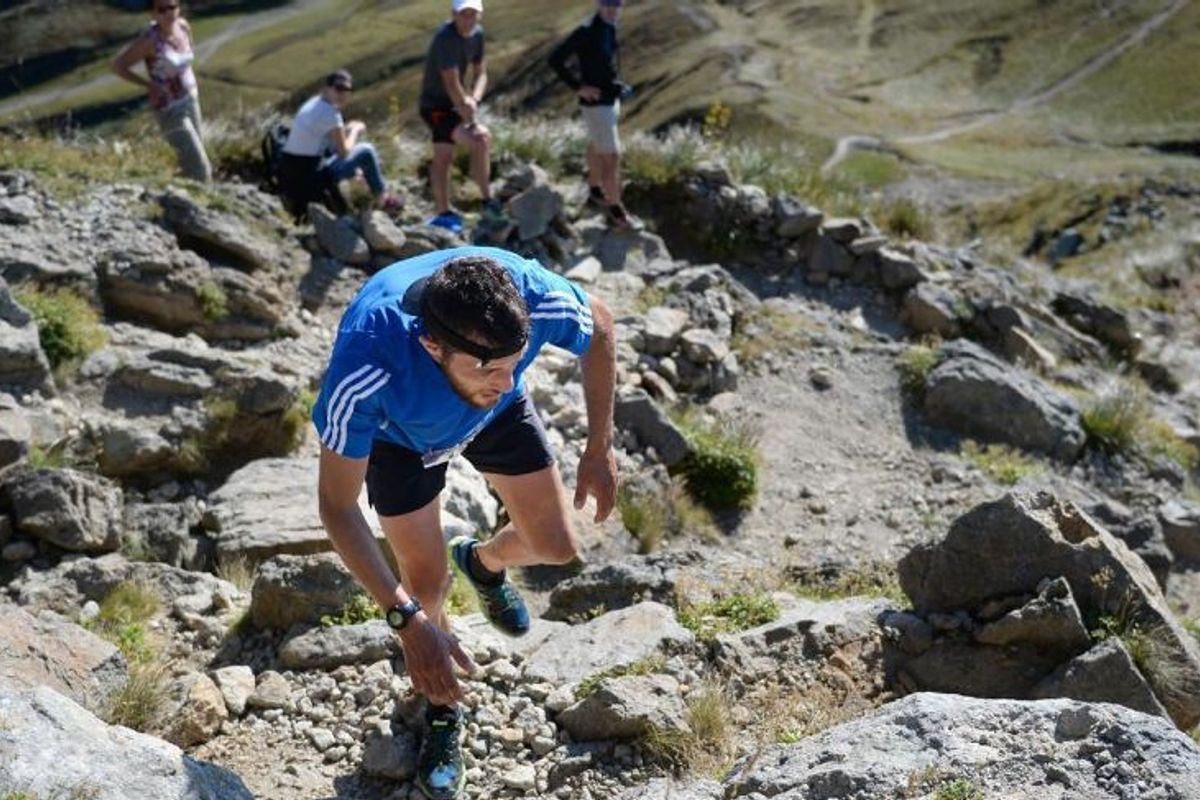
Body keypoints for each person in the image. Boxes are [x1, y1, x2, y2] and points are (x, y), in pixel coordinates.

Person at [312, 246, 617, 800]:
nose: (507, 378)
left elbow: (598, 325)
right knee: (426, 590)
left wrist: (599, 446)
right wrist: (408, 623)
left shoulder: (526, 300)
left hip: (493, 417)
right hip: (400, 440)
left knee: (554, 546)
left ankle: (482, 562)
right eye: (488, 366)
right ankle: (442, 708)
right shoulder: (368, 363)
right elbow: (337, 506)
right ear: (434, 345)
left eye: (514, 362)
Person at [548, 0, 644, 231]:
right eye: (608, 4)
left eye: (617, 4)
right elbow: (555, 59)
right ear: (599, 4)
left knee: (596, 143)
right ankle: (616, 210)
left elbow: (603, 63)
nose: (613, 9)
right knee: (612, 156)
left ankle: (594, 190)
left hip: (609, 100)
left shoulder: (609, 26)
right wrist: (578, 87)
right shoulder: (588, 30)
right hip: (596, 105)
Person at [418, 0, 506, 234]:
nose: (468, 20)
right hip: (435, 106)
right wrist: (465, 107)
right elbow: (451, 80)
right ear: (454, 14)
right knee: (472, 142)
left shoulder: (478, 35)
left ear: (479, 15)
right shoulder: (445, 38)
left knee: (452, 152)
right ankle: (476, 205)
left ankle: (461, 207)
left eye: (472, 14)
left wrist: (474, 99)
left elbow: (481, 72)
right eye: (463, 14)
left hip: (457, 105)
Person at [112, 0, 212, 182]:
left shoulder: (183, 26)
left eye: (172, 7)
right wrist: (148, 85)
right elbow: (119, 66)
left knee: (194, 156)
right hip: (169, 108)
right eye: (161, 9)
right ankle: (200, 196)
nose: (168, 13)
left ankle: (185, 191)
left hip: (190, 99)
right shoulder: (150, 41)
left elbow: (187, 56)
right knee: (199, 167)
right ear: (153, 13)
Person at [281, 69, 401, 214]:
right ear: (326, 88)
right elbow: (344, 152)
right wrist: (355, 129)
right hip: (313, 179)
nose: (343, 94)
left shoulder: (313, 103)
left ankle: (361, 181)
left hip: (292, 173)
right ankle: (383, 199)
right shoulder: (330, 114)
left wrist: (345, 131)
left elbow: (329, 137)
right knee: (366, 151)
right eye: (338, 88)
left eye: (347, 90)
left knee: (337, 148)